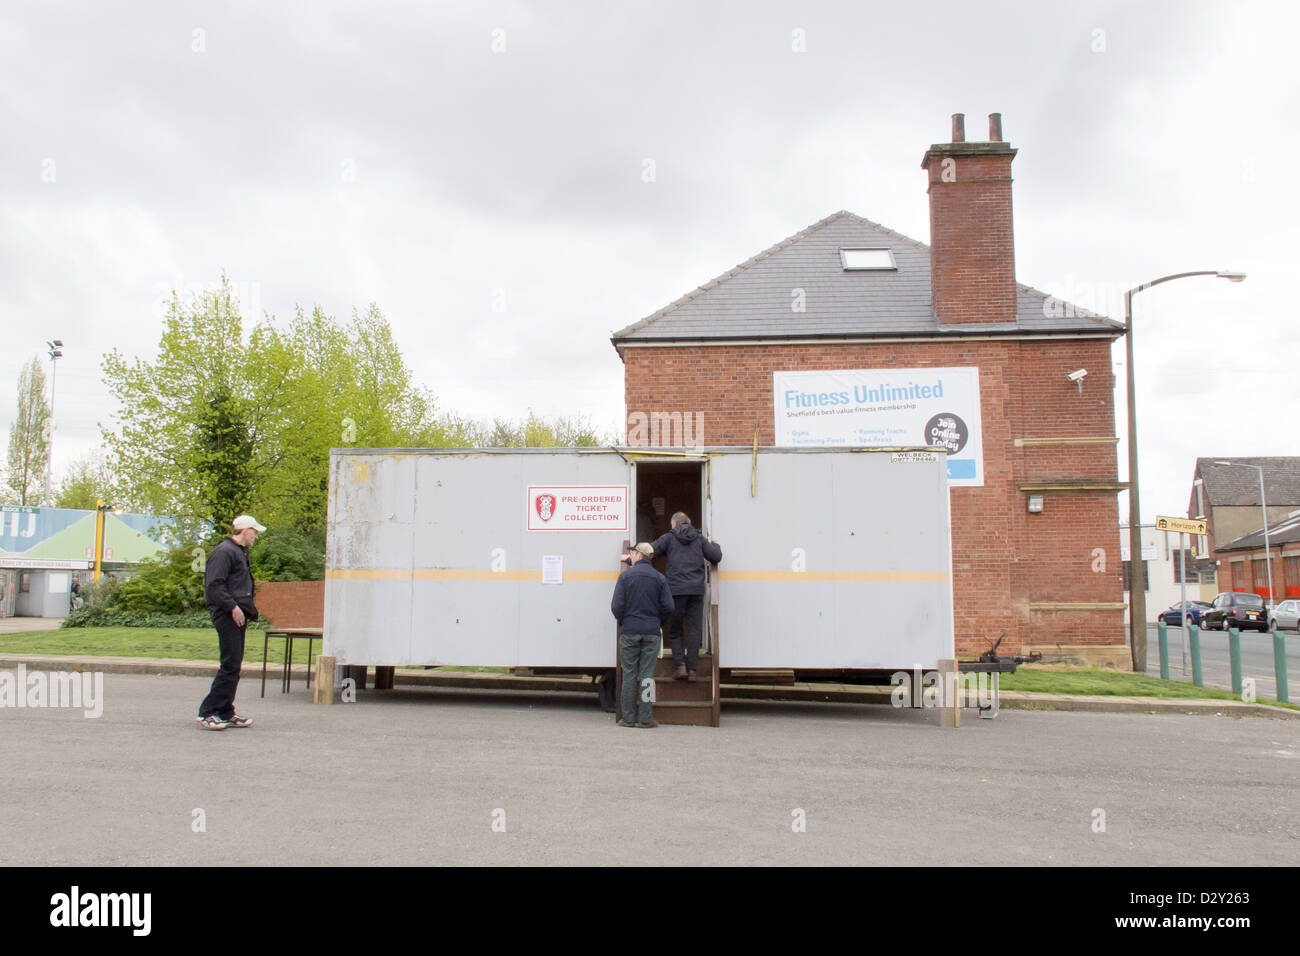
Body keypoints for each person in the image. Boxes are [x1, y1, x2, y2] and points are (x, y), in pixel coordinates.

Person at [196, 515, 265, 730]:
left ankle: (225, 711)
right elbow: (214, 586)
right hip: (227, 614)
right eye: (254, 532)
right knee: (230, 664)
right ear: (245, 531)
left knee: (233, 664)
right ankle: (208, 712)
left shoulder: (238, 552)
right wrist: (233, 607)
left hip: (237, 612)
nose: (256, 536)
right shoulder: (224, 552)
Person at [650, 512, 722, 681]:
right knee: (694, 629)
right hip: (696, 590)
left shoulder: (669, 537)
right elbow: (716, 557)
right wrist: (716, 546)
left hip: (675, 591)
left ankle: (680, 666)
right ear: (689, 523)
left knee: (675, 630)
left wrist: (631, 557)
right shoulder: (699, 538)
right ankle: (693, 670)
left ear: (673, 525)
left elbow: (650, 550)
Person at [610, 542, 675, 728]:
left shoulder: (625, 577)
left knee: (629, 674)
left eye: (634, 553)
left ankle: (628, 718)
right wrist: (657, 622)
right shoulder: (659, 578)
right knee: (647, 675)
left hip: (630, 630)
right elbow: (669, 607)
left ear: (639, 555)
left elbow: (616, 606)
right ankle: (646, 719)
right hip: (652, 632)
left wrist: (624, 621)